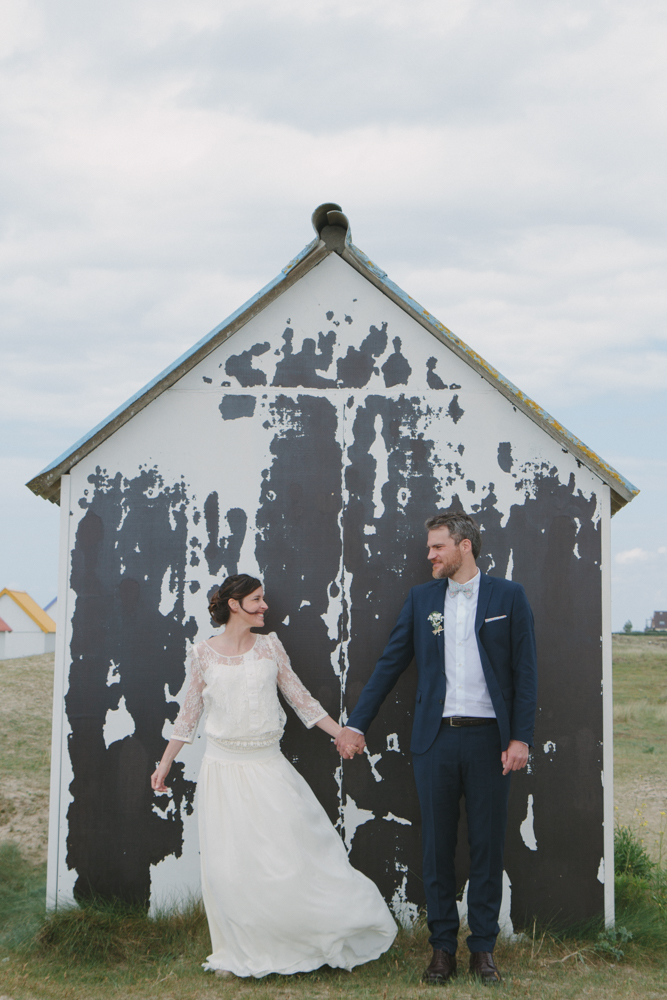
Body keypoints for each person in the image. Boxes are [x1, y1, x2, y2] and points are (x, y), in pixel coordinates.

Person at [151, 573, 396, 979]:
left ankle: (303, 938)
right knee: (233, 866)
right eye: (256, 599)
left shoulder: (270, 646)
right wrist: (165, 763)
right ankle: (244, 949)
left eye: (263, 598)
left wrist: (343, 733)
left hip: (268, 766)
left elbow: (302, 699)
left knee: (293, 857)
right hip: (223, 772)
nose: (265, 606)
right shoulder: (202, 654)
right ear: (234, 605)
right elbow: (188, 715)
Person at [335, 512, 537, 984]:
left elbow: (525, 672)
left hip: (491, 741)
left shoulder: (509, 596)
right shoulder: (422, 599)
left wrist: (520, 737)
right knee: (436, 848)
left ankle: (483, 949)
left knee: (487, 846)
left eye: (437, 547)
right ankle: (442, 948)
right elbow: (390, 663)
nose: (429, 555)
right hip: (435, 740)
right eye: (429, 548)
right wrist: (357, 723)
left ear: (464, 546)